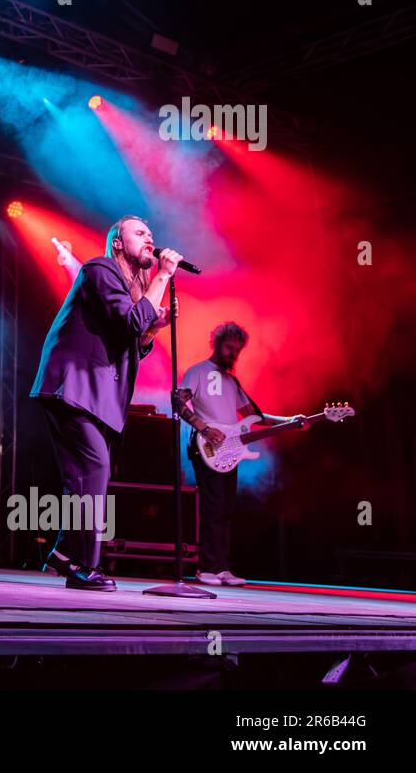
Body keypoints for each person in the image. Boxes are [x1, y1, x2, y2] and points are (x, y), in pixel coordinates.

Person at [30, 215, 181, 591]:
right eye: (140, 233)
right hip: (74, 386)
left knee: (88, 475)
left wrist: (153, 331)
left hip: (96, 395)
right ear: (117, 242)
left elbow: (130, 341)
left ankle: (65, 553)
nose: (150, 239)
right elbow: (128, 322)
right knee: (92, 469)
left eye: (151, 232)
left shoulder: (129, 288)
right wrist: (162, 277)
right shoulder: (99, 269)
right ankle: (85, 566)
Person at [173, 322, 309, 586]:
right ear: (216, 343)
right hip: (206, 446)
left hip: (230, 449)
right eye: (228, 347)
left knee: (225, 509)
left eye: (237, 350)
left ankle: (221, 567)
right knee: (212, 507)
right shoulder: (198, 372)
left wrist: (290, 419)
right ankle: (207, 568)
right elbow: (178, 401)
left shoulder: (231, 381)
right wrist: (204, 427)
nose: (232, 354)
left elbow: (253, 416)